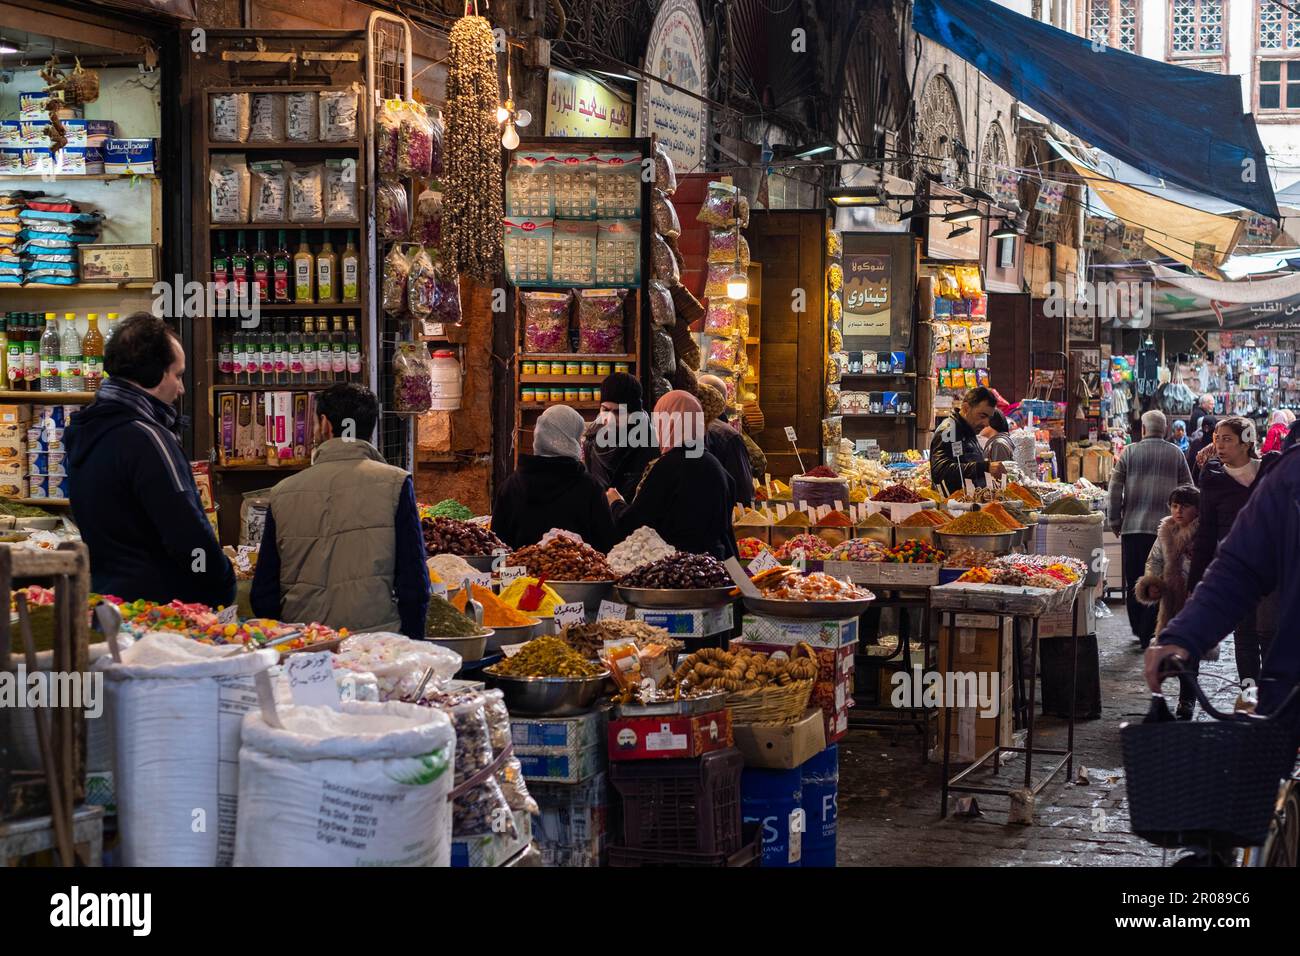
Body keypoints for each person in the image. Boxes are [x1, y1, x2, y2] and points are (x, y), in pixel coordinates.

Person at [66, 313, 234, 607]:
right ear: (154, 374)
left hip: (109, 601)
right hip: (162, 609)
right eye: (178, 375)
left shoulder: (85, 430)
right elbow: (187, 533)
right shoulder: (148, 438)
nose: (181, 388)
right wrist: (223, 584)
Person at [250, 383, 428, 637]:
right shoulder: (396, 483)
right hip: (378, 647)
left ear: (325, 425)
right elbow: (414, 584)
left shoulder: (282, 492)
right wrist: (413, 645)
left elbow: (264, 593)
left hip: (306, 645)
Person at [1187, 417, 1277, 685]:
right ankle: (1250, 697)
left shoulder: (1271, 470)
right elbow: (1206, 535)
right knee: (1245, 634)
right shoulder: (1213, 479)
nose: (1219, 445)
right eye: (1217, 439)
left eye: (1227, 439)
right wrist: (1195, 583)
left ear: (1246, 442)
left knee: (1270, 633)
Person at [606, 390, 738, 559]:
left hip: (679, 572)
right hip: (713, 569)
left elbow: (637, 525)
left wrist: (616, 504)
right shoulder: (715, 465)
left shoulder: (668, 467)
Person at [1108, 410, 1193, 649]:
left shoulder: (1130, 452)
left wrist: (1115, 520)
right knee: (1160, 579)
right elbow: (1189, 490)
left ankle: (1139, 628)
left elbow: (1115, 489)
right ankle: (1150, 629)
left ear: (1143, 430)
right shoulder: (1175, 454)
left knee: (1135, 578)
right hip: (1167, 532)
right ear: (1165, 429)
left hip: (1134, 528)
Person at [494, 404, 616, 552]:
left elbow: (497, 548)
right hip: (578, 575)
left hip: (520, 574)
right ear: (572, 439)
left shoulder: (510, 486)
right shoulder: (590, 488)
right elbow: (606, 546)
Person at [1135, 485, 1202, 720]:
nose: (1178, 511)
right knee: (1164, 650)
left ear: (1197, 509)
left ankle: (1187, 698)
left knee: (1190, 652)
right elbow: (1154, 560)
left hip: (1194, 599)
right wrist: (1152, 582)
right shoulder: (1166, 531)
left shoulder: (1203, 532)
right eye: (1174, 506)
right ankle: (1159, 699)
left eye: (1185, 506)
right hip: (1170, 600)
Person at [581, 372, 658, 503]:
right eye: (605, 410)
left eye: (618, 412)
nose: (610, 419)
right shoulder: (591, 437)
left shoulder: (650, 445)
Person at [929, 386, 1006, 496]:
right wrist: (985, 467)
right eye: (982, 416)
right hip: (952, 507)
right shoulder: (949, 430)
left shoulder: (969, 430)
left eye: (989, 418)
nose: (986, 424)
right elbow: (940, 471)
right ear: (966, 408)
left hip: (970, 504)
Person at [698, 374, 753, 508]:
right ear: (723, 400)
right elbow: (743, 489)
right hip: (721, 514)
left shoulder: (683, 429)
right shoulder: (729, 436)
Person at [1185, 414, 1217, 485]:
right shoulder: (1218, 446)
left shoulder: (1196, 443)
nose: (1207, 430)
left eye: (1208, 427)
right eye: (1205, 427)